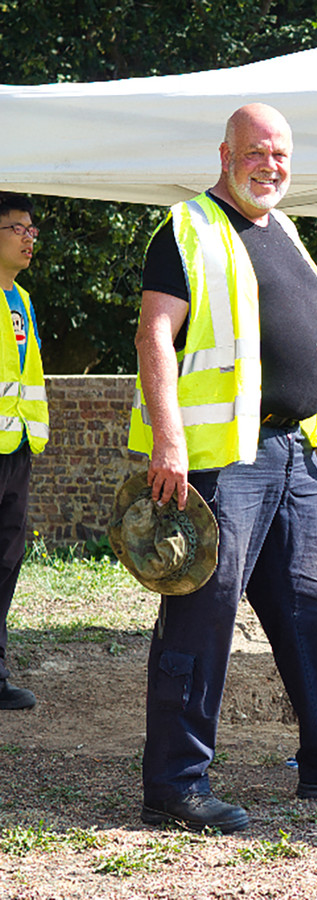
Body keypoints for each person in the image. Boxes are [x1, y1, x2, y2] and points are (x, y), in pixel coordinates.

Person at [130, 103, 317, 834]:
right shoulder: (187, 227)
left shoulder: (284, 230)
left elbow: (298, 340)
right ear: (225, 153)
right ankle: (175, 782)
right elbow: (155, 334)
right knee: (201, 619)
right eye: (257, 152)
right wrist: (168, 442)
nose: (271, 166)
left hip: (299, 457)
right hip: (223, 461)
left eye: (281, 155)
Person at [0, 193, 46, 712]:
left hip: (16, 451)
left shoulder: (24, 300)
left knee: (6, 562)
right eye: (18, 229)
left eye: (32, 230)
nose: (29, 238)